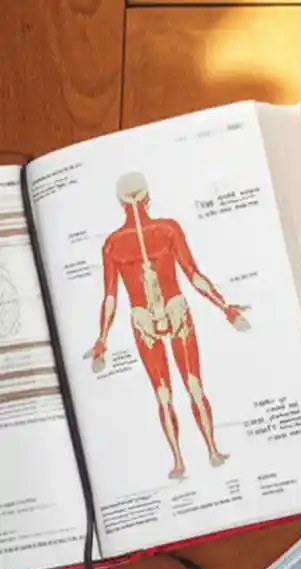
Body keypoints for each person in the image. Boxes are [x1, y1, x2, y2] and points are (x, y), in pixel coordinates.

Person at [86, 172, 249, 479]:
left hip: (145, 319)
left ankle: (180, 462)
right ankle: (211, 451)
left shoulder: (113, 244)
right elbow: (194, 275)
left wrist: (102, 339)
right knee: (193, 387)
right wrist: (225, 307)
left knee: (166, 394)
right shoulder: (167, 229)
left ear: (120, 204)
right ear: (148, 197)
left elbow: (110, 299)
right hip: (173, 311)